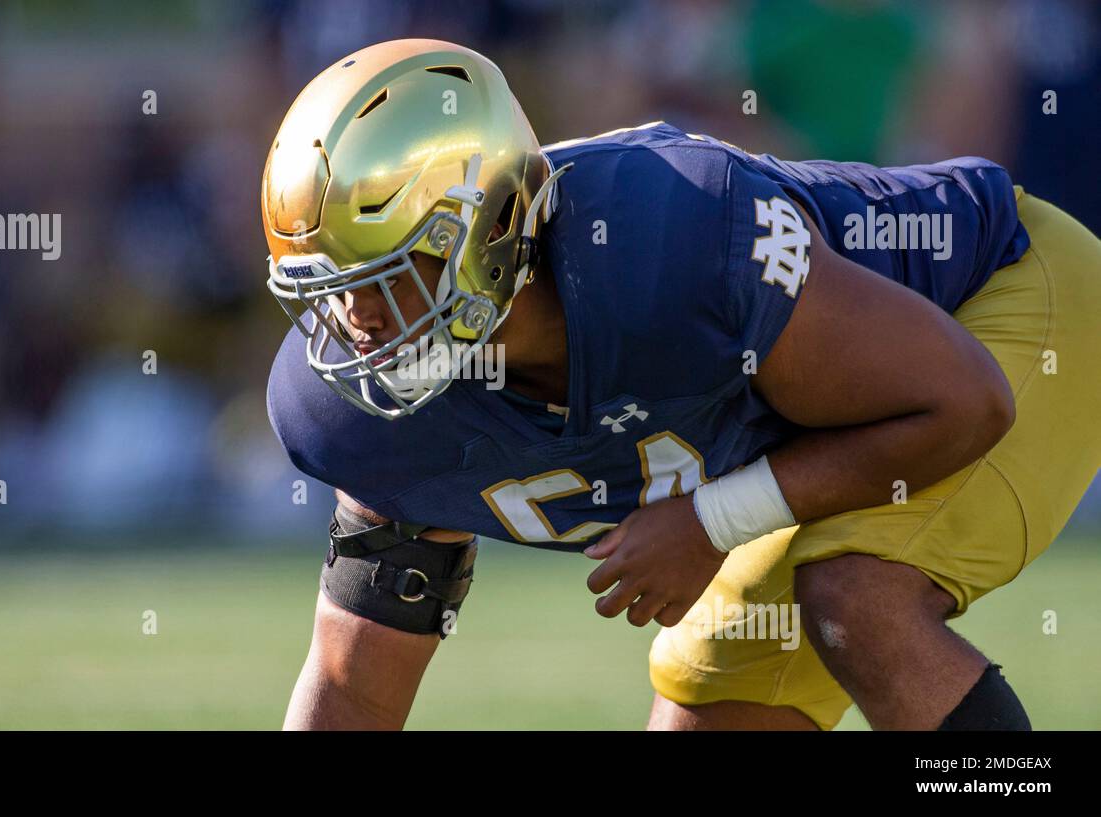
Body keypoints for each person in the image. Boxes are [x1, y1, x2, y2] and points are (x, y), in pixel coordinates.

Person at [263, 39, 1101, 730]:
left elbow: (961, 402)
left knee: (855, 594)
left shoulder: (670, 246)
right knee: (709, 708)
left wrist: (716, 520)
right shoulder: (361, 408)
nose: (358, 320)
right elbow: (352, 683)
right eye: (330, 286)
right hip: (825, 425)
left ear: (492, 229)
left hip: (1005, 303)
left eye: (389, 276)